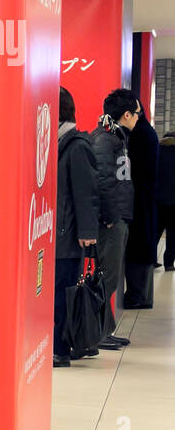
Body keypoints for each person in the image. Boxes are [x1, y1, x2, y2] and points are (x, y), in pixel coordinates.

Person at [53, 87, 100, 367]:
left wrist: (87, 233)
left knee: (65, 293)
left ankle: (62, 348)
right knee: (60, 292)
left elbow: (86, 193)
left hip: (69, 236)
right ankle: (63, 344)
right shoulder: (57, 142)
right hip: (57, 234)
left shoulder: (77, 146)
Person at [89, 88, 139, 349]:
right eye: (137, 114)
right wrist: (110, 217)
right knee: (106, 276)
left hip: (119, 216)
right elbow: (102, 182)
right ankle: (96, 333)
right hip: (111, 220)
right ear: (127, 114)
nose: (138, 118)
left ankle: (104, 331)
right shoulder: (105, 140)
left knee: (109, 275)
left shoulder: (116, 138)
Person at [122, 100, 160, 309]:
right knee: (143, 246)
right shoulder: (148, 132)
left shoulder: (140, 134)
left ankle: (137, 296)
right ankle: (141, 295)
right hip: (146, 199)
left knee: (137, 247)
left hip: (138, 199)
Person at [159, 131, 175, 271]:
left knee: (155, 232)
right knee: (172, 235)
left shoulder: (157, 151)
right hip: (173, 201)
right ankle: (168, 263)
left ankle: (150, 260)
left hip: (158, 200)